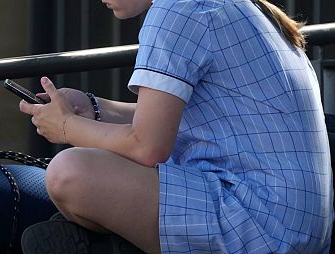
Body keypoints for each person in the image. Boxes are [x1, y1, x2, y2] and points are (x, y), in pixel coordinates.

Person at [18, 0, 333, 253]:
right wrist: (94, 108)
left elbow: (147, 146)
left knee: (69, 173)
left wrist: (66, 128)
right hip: (295, 229)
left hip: (256, 228)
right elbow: (179, 118)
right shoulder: (241, 7)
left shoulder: (178, 9)